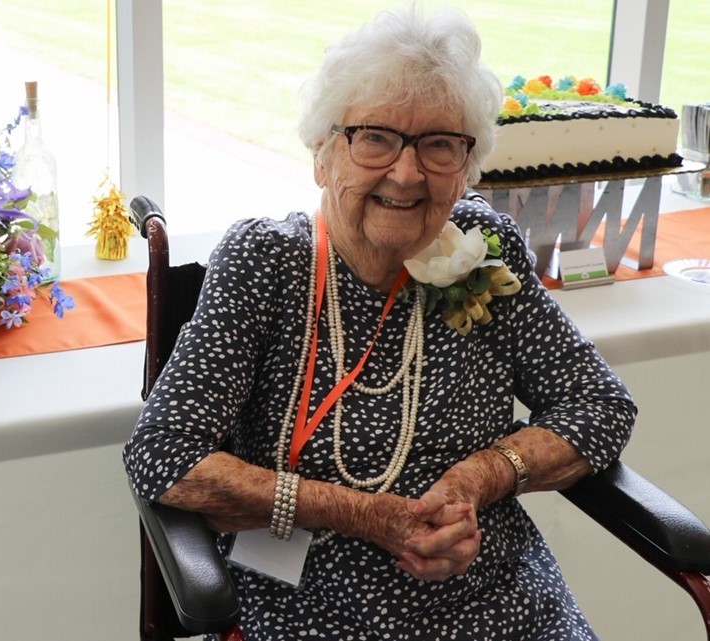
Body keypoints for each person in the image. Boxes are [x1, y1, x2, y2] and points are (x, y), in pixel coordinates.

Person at [123, 6, 635, 640]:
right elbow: (165, 457)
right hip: (308, 607)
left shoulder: (481, 247)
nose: (407, 172)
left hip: (499, 603)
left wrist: (480, 478)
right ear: (322, 154)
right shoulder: (265, 262)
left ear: (467, 167)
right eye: (375, 137)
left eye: (439, 143)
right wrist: (368, 515)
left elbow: (600, 402)